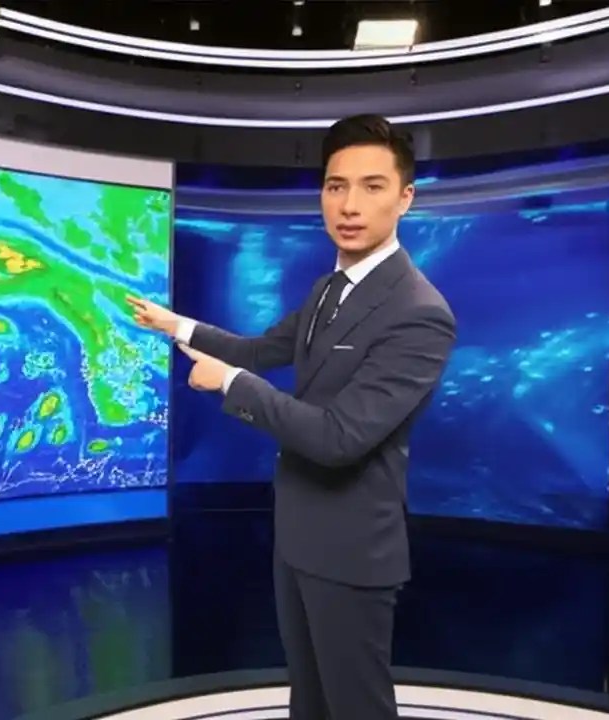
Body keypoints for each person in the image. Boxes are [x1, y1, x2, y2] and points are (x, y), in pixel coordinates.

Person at [128, 114, 456, 720]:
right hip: (299, 538)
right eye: (336, 186)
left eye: (372, 185)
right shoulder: (329, 289)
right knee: (308, 704)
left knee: (356, 708)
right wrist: (177, 326)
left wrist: (228, 384)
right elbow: (261, 351)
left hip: (353, 553)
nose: (350, 204)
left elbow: (338, 438)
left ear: (405, 198)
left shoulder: (419, 313)